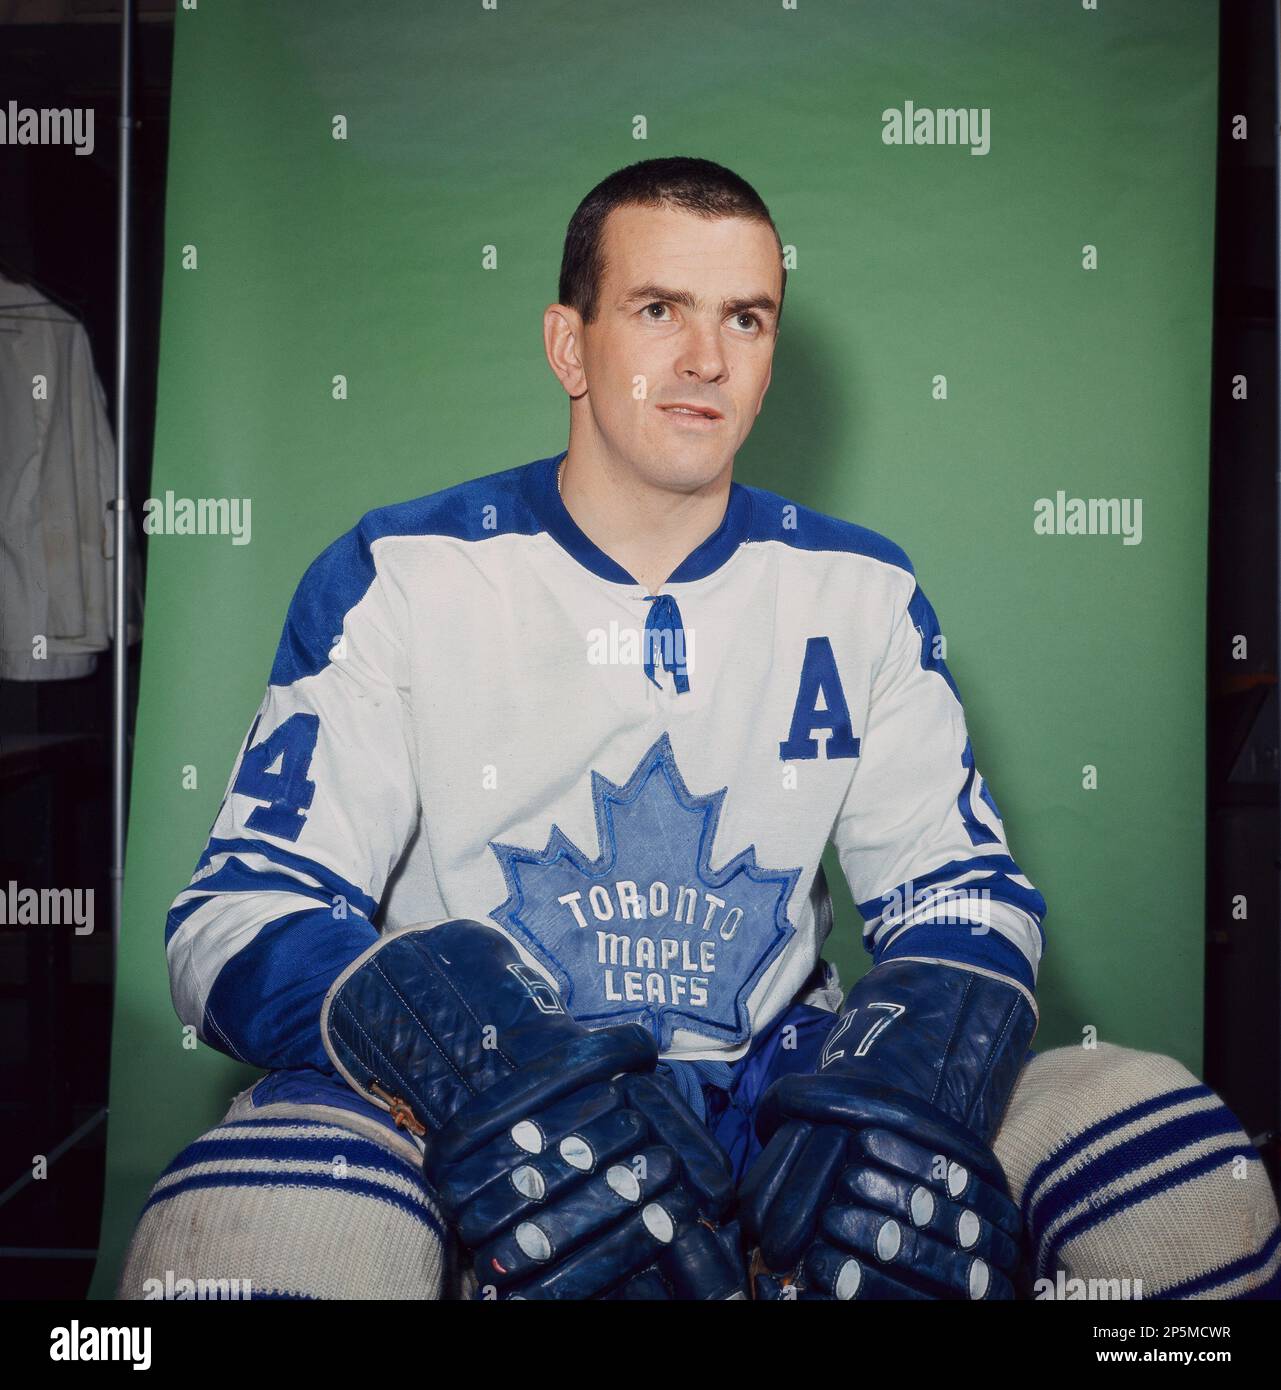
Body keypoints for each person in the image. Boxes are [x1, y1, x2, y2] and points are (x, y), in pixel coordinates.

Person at [119, 156, 1279, 1300]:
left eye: (748, 318)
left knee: (1172, 1164)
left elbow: (962, 891)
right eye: (659, 309)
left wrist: (918, 1080)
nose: (707, 360)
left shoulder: (859, 589)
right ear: (569, 344)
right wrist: (461, 1051)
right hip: (489, 1122)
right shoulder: (403, 573)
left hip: (783, 1101)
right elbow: (231, 918)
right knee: (261, 1220)